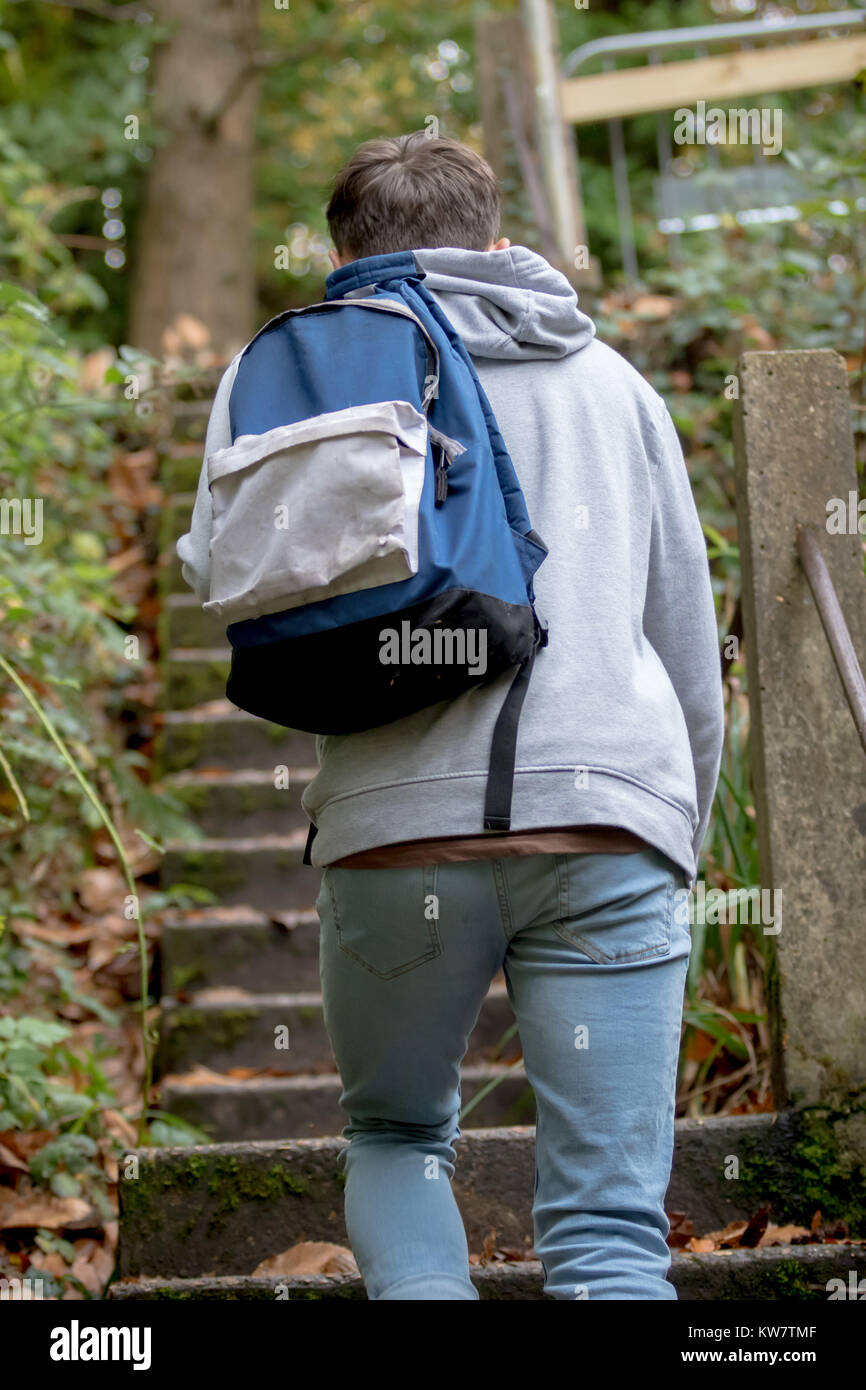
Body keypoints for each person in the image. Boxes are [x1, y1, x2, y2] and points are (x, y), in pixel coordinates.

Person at [177, 132, 725, 1301]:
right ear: (498, 240)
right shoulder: (614, 387)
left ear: (340, 253)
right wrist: (674, 826)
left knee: (394, 1135)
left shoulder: (280, 373)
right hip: (608, 825)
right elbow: (684, 646)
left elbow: (218, 571)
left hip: (388, 833)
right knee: (611, 1233)